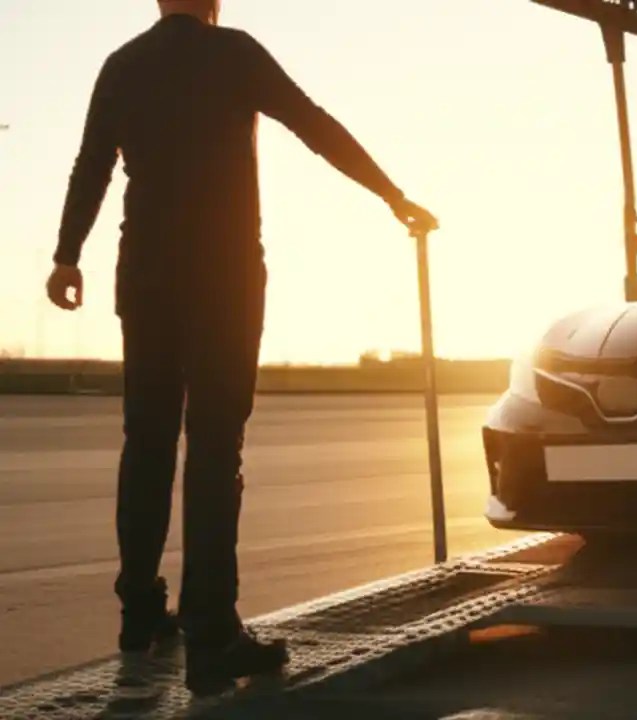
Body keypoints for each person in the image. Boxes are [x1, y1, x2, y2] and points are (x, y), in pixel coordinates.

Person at [45, 0, 437, 694]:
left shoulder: (121, 65)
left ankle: (140, 615)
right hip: (223, 277)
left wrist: (67, 255)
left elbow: (92, 165)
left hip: (145, 275)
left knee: (147, 440)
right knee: (214, 445)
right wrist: (391, 194)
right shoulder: (234, 53)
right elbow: (315, 126)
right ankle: (212, 634)